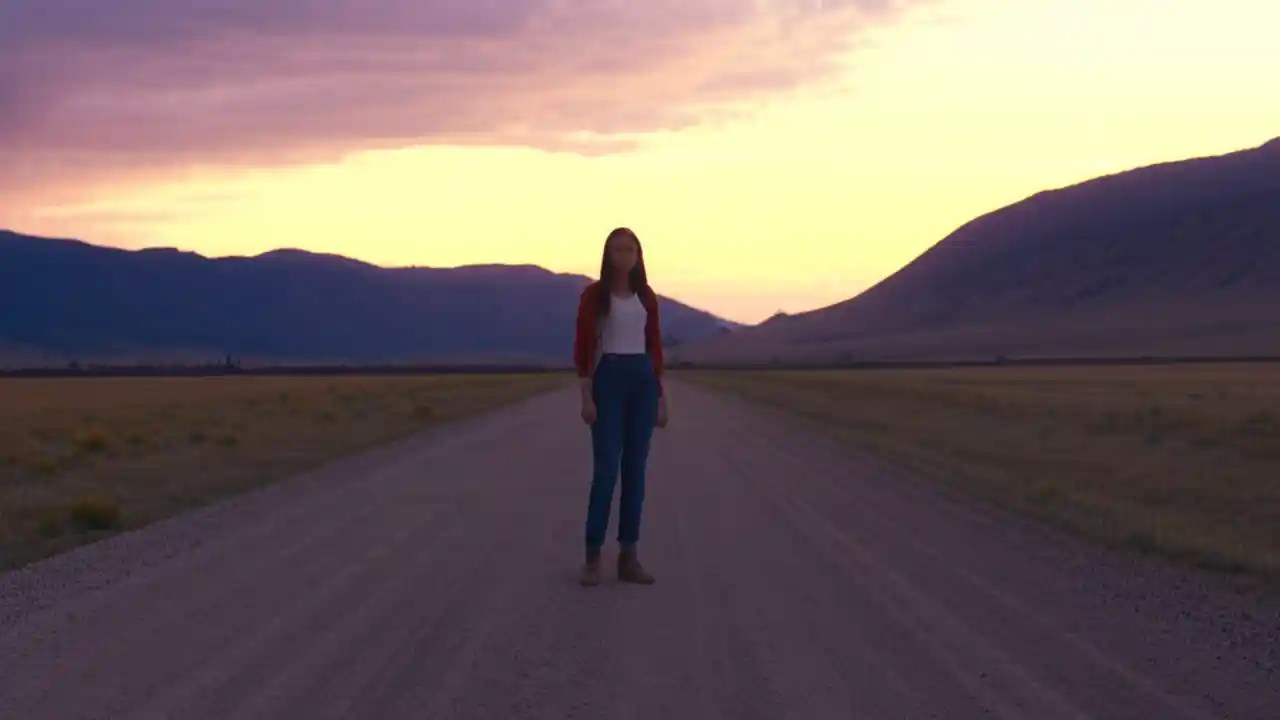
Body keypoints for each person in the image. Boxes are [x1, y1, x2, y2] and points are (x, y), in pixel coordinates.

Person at [573, 227, 669, 587]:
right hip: (608, 378)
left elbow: (654, 349)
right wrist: (586, 396)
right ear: (607, 254)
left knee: (636, 471)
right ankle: (593, 556)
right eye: (617, 249)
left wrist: (661, 397)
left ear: (639, 255)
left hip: (642, 381)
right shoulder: (593, 297)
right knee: (607, 469)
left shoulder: (647, 298)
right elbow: (583, 348)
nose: (624, 256)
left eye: (630, 249)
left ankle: (629, 557)